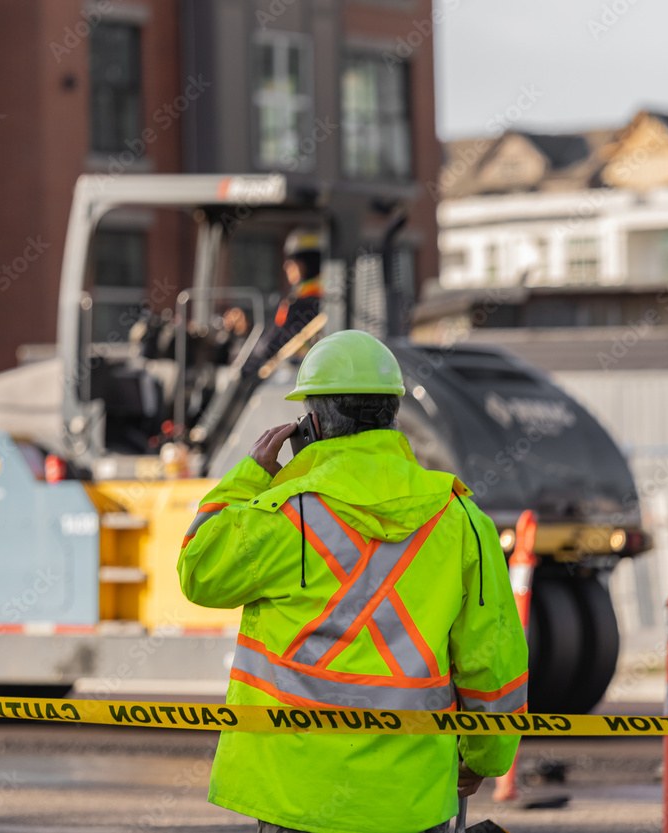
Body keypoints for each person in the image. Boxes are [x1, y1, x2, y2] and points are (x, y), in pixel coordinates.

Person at [178, 330, 528, 833]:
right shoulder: (462, 520)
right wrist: (483, 756)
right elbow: (493, 658)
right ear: (393, 414)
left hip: (294, 794)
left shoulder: (282, 515)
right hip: (411, 798)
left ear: (311, 423)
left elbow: (198, 572)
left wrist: (250, 475)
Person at [243, 228, 324, 377]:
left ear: (309, 263)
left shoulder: (306, 302)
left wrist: (247, 364)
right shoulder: (321, 296)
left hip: (292, 373)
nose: (286, 266)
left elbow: (272, 344)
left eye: (293, 260)